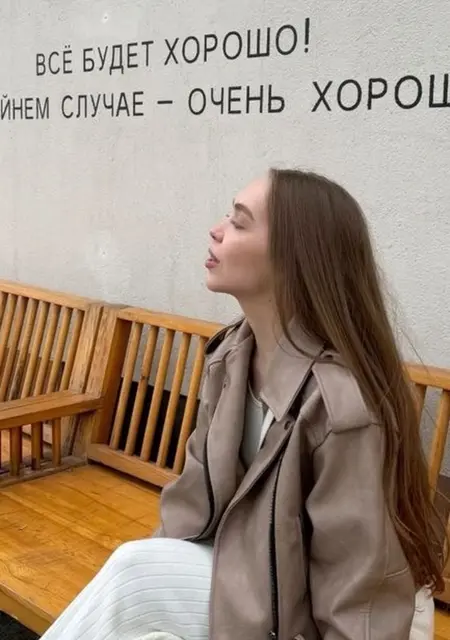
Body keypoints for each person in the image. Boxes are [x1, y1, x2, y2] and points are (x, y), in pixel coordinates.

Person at [40, 169, 445, 640]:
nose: (216, 230)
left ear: (293, 257)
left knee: (135, 577)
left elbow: (361, 599)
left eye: (239, 221)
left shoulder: (342, 410)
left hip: (333, 620)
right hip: (257, 583)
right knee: (140, 606)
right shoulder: (232, 355)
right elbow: (191, 507)